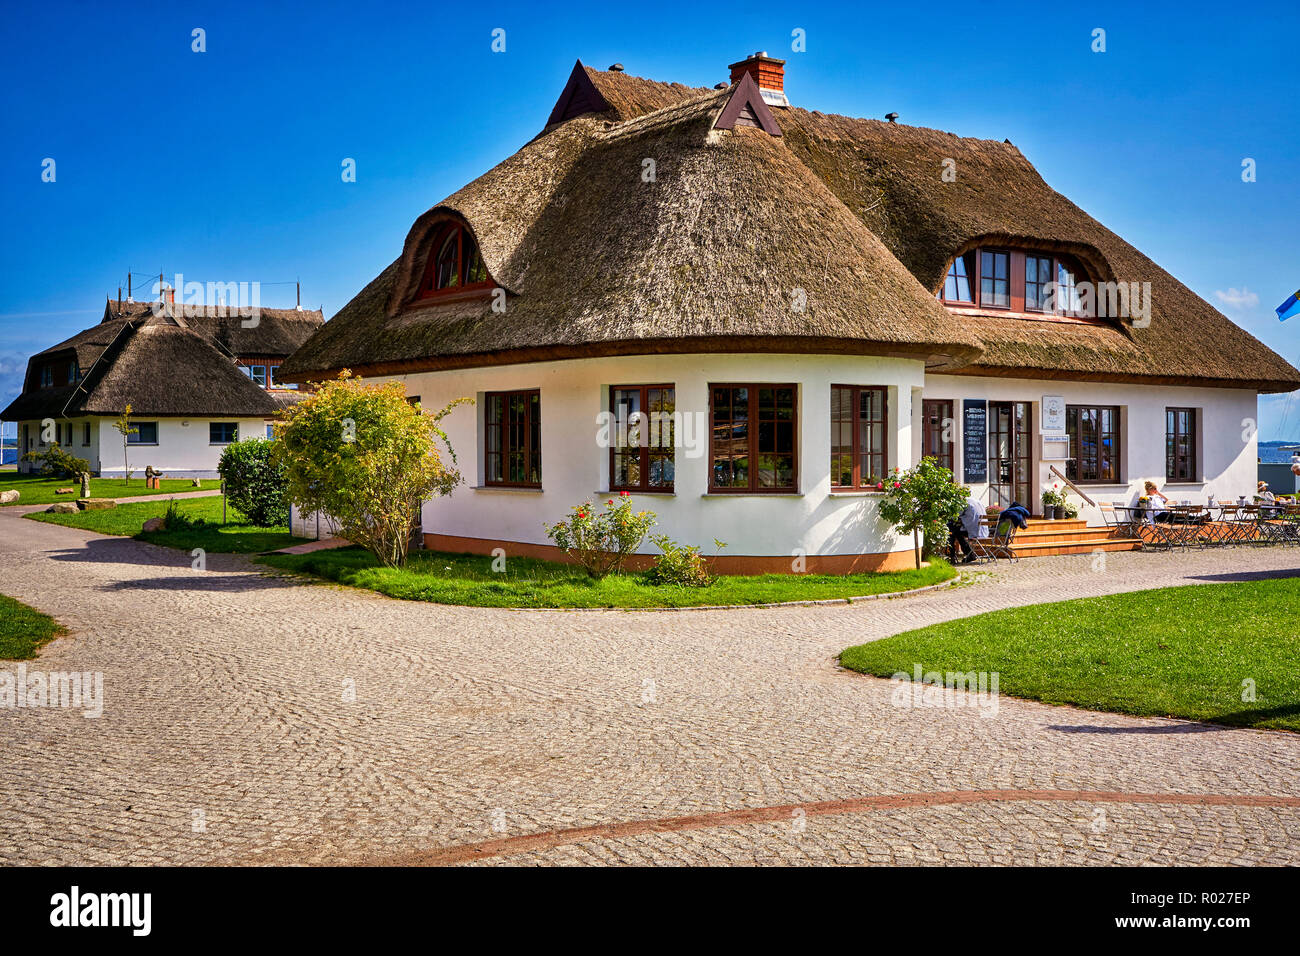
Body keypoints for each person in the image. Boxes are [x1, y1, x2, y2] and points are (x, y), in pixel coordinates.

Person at [947, 496, 985, 564]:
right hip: (983, 531)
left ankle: (952, 556)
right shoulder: (977, 501)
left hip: (973, 530)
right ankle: (970, 554)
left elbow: (956, 516)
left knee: (952, 532)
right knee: (957, 533)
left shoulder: (965, 503)